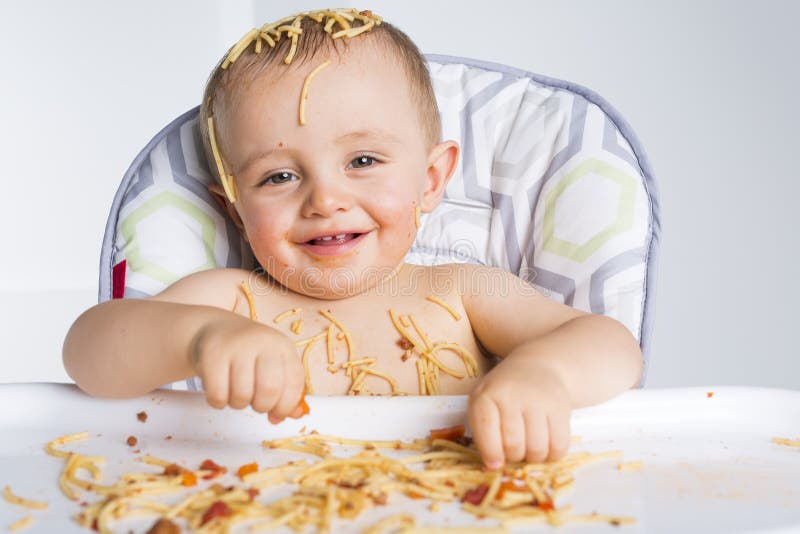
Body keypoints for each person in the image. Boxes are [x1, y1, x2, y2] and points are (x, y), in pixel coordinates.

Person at [63, 8, 642, 471]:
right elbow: (88, 353)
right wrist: (199, 337)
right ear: (234, 210)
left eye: (363, 160)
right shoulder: (231, 301)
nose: (324, 200)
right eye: (279, 176)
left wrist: (543, 375)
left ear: (432, 179)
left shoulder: (462, 293)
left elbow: (611, 346)